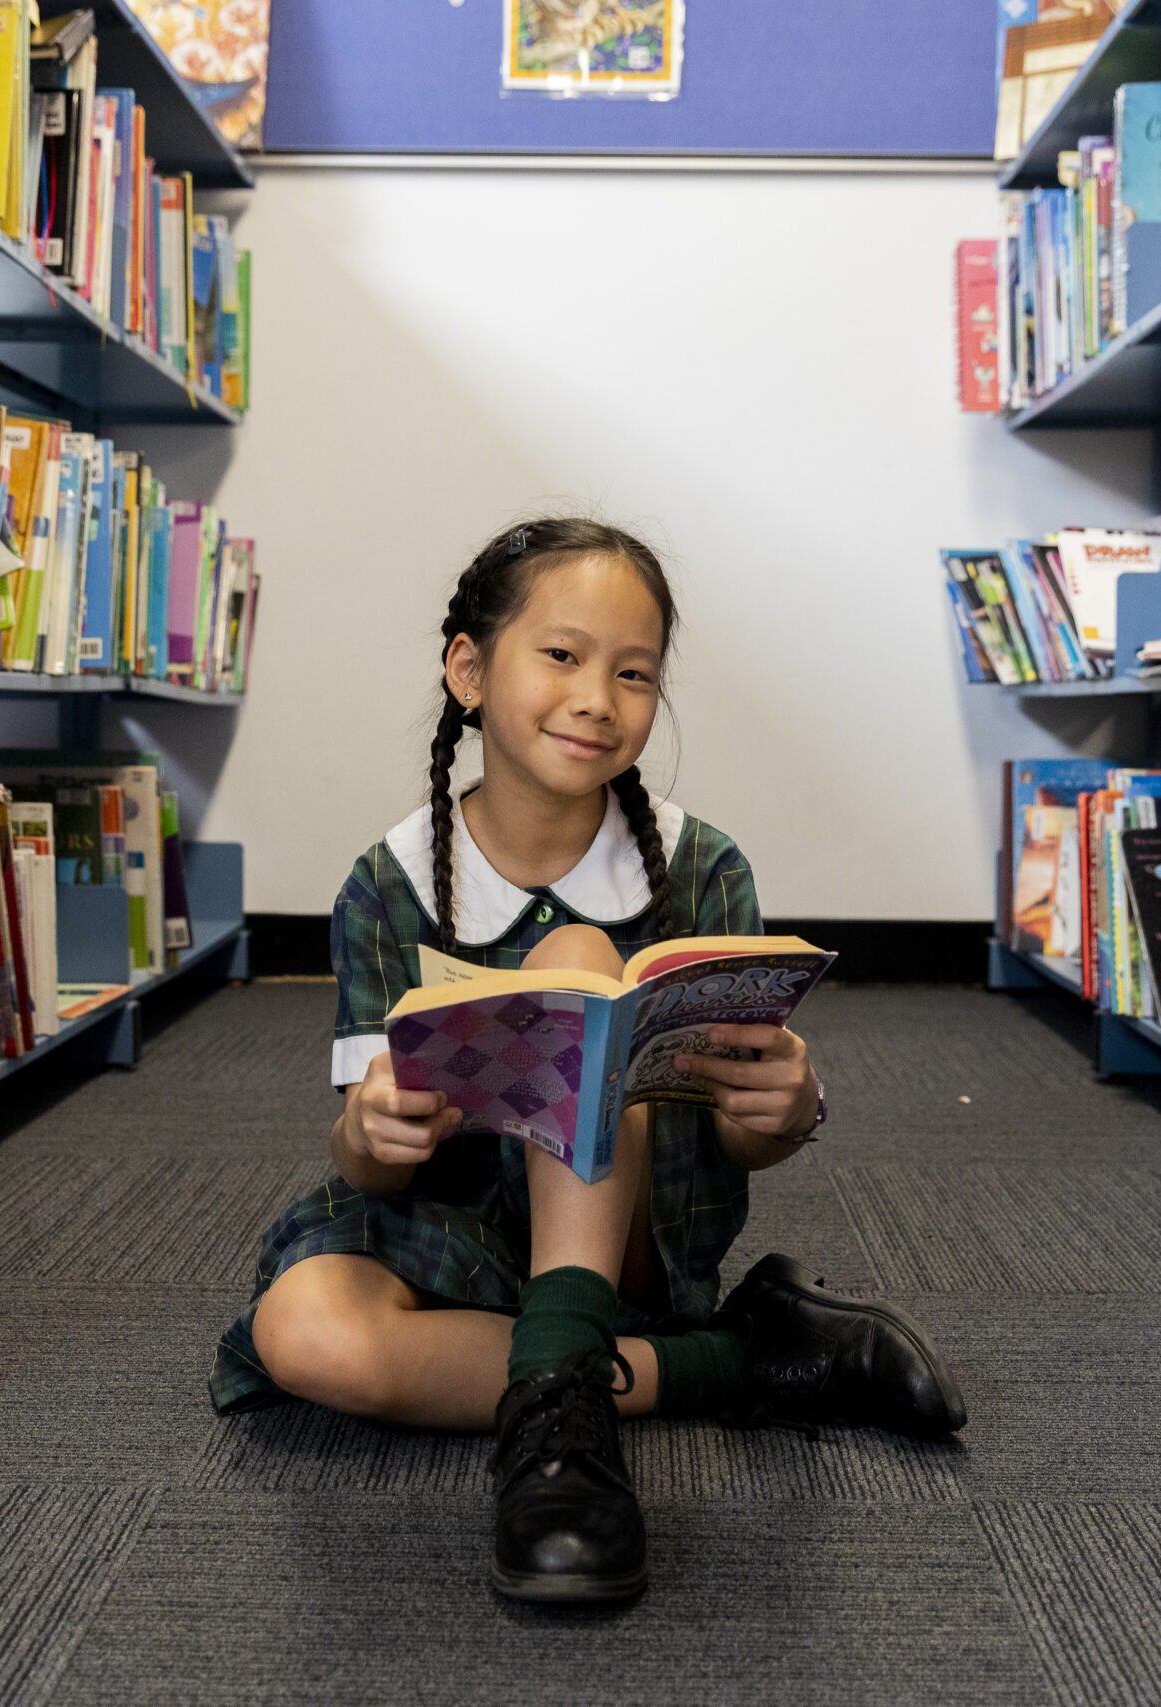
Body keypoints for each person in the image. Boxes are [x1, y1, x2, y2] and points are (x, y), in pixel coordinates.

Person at [208, 517, 964, 1605]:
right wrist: (366, 1132)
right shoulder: (388, 884)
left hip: (636, 1236)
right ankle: (734, 1362)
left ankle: (563, 1428)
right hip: (456, 1227)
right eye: (560, 656)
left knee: (576, 959)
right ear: (468, 669)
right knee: (306, 1337)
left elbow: (745, 1142)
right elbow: (370, 1172)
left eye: (635, 673)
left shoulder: (703, 867)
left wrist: (787, 1105)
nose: (598, 697)